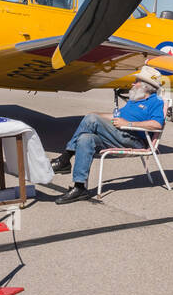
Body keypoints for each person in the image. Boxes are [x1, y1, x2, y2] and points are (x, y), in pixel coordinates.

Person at [52, 65, 166, 204]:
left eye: (136, 81)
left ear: (146, 86)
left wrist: (129, 124)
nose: (132, 83)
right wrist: (96, 115)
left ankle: (65, 159)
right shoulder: (134, 100)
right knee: (85, 138)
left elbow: (157, 124)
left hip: (134, 139)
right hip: (119, 135)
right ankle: (79, 187)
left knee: (91, 119)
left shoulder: (155, 102)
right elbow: (116, 117)